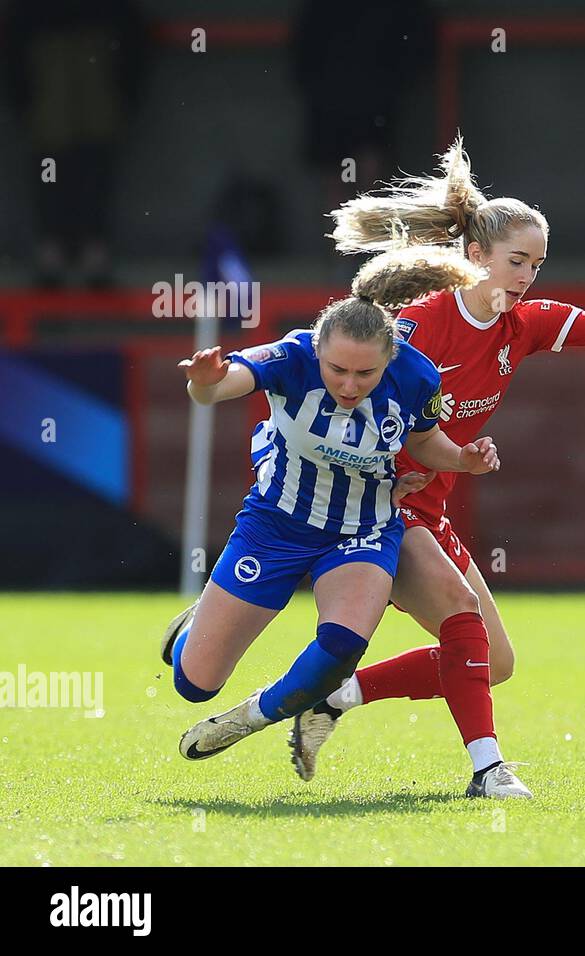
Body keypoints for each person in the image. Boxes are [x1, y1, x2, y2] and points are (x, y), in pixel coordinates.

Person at [281, 136, 585, 780]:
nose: (527, 277)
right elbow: (342, 397)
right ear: (474, 256)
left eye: (536, 265)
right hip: (381, 511)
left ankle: (337, 695)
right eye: (516, 261)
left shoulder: (523, 326)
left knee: (496, 663)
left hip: (431, 507)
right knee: (464, 621)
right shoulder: (417, 327)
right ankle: (490, 771)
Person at [166, 244, 535, 798]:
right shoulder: (292, 355)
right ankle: (192, 635)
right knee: (194, 684)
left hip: (363, 529)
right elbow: (222, 384)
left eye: (364, 373)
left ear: (391, 355)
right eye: (336, 369)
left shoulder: (416, 376)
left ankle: (252, 717)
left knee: (338, 650)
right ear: (318, 350)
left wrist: (462, 459)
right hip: (276, 526)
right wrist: (202, 380)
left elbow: (425, 440)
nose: (348, 384)